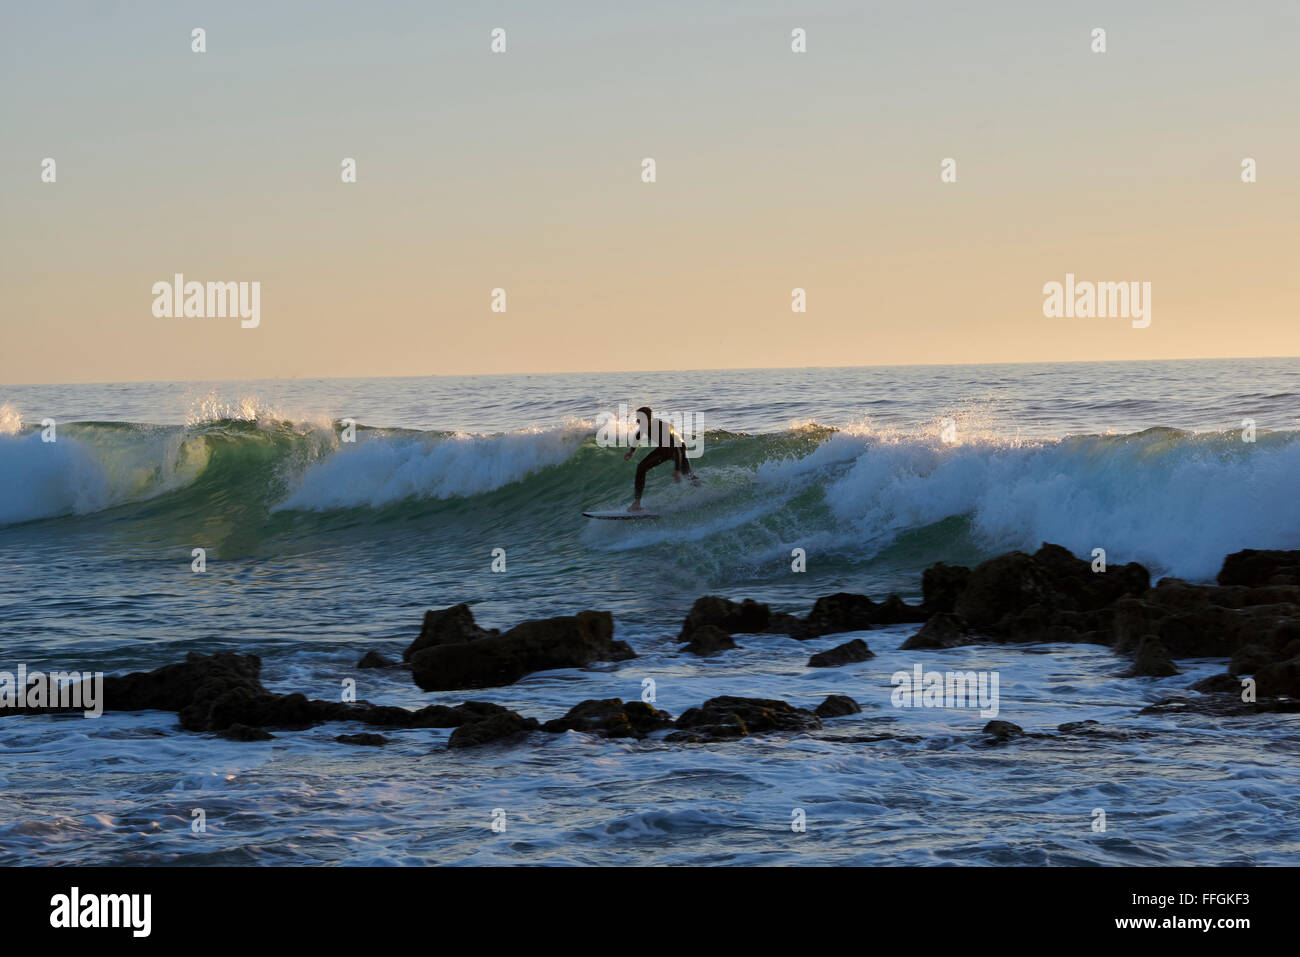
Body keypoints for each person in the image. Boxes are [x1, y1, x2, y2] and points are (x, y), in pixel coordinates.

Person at [623, 406, 698, 511]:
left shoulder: (661, 427)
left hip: (678, 449)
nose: (637, 421)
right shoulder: (645, 425)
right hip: (663, 449)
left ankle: (703, 492)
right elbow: (638, 436)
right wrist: (631, 451)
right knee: (641, 467)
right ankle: (636, 504)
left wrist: (676, 470)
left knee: (688, 475)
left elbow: (675, 449)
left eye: (639, 418)